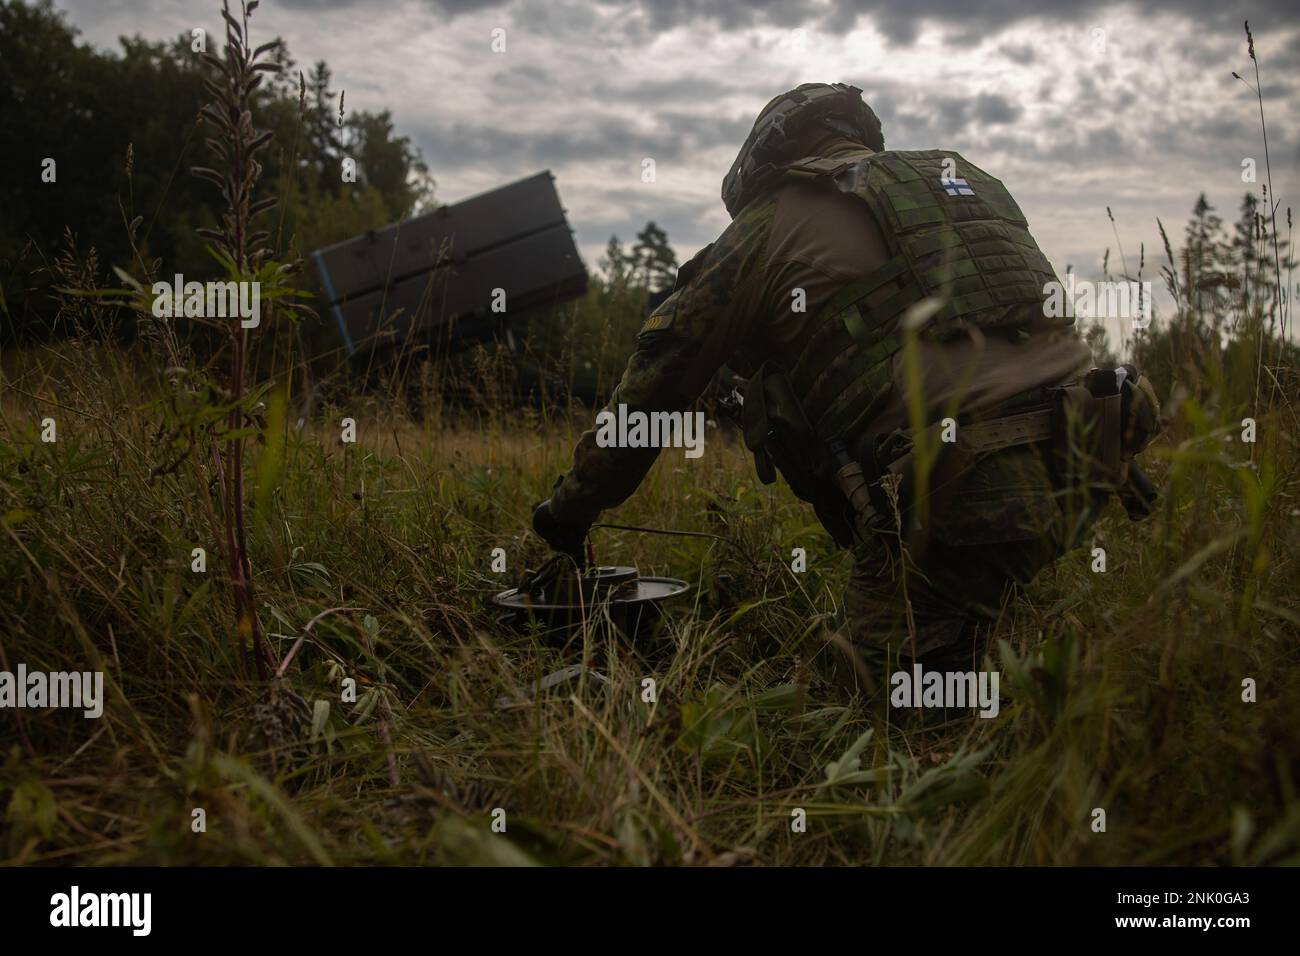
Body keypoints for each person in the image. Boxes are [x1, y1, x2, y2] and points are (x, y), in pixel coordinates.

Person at [532, 83, 1161, 692]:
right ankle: (993, 628)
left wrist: (571, 510)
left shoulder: (770, 221)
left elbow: (655, 387)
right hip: (1092, 458)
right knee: (983, 600)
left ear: (768, 158)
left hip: (968, 493)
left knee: (871, 705)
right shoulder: (961, 183)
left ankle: (954, 670)